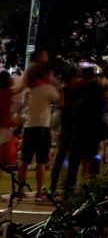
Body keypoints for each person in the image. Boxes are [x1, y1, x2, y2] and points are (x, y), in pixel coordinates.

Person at [16, 63, 60, 199]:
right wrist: (57, 85)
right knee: (41, 161)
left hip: (29, 127)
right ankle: (39, 192)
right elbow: (60, 100)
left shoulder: (29, 89)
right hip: (42, 127)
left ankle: (20, 190)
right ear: (45, 74)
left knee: (25, 160)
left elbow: (25, 105)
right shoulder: (48, 88)